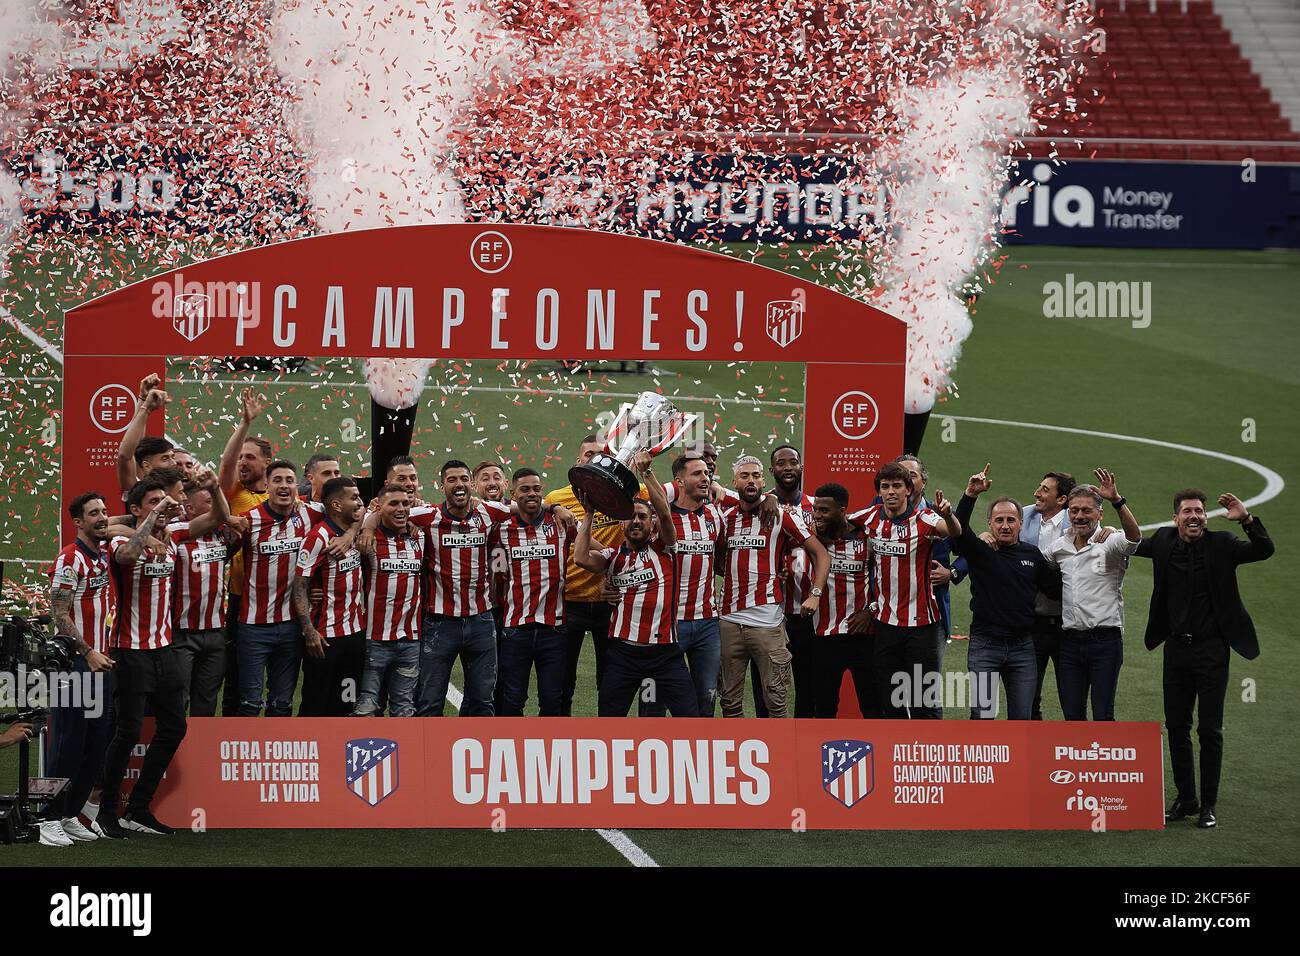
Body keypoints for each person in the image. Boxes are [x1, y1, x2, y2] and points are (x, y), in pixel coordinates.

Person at [1134, 489, 1273, 830]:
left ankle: (1208, 805)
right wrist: (1116, 504)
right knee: (1177, 726)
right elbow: (1131, 543)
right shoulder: (1164, 542)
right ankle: (1186, 798)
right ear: (1175, 518)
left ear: (1205, 517)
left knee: (1209, 729)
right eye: (1187, 511)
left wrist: (1247, 521)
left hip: (1212, 651)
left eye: (1199, 511)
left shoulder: (1223, 544)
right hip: (1176, 651)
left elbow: (1264, 550)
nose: (1194, 516)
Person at [97, 475, 198, 838]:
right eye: (153, 500)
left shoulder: (169, 543)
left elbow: (208, 520)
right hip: (130, 650)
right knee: (127, 732)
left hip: (164, 649)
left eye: (164, 499)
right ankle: (107, 811)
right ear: (136, 509)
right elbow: (125, 556)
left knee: (175, 727)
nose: (163, 505)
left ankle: (138, 808)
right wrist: (154, 518)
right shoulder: (123, 540)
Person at [575, 452, 698, 717]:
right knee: (609, 719)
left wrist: (647, 473)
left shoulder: (664, 549)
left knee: (688, 718)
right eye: (631, 516)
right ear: (622, 523)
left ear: (651, 523)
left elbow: (665, 513)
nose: (637, 521)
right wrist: (588, 515)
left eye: (643, 517)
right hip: (622, 654)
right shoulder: (612, 557)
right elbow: (581, 557)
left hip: (665, 655)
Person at [718, 456, 829, 719]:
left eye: (755, 475)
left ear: (763, 481)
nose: (751, 480)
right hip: (728, 621)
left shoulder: (780, 516)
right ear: (735, 482)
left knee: (776, 701)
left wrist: (815, 593)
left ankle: (780, 758)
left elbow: (821, 554)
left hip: (767, 622)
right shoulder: (724, 519)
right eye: (744, 476)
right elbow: (718, 563)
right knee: (730, 703)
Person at [544, 434, 647, 715]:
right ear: (579, 461)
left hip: (611, 601)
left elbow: (660, 500)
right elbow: (532, 508)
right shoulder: (559, 498)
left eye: (602, 454)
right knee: (563, 679)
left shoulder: (630, 490)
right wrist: (551, 507)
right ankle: (559, 734)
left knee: (611, 679)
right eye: (589, 454)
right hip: (570, 601)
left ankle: (606, 734)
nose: (595, 459)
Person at [848, 461, 957, 719]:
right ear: (879, 491)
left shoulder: (925, 518)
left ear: (909, 490)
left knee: (923, 703)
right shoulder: (870, 516)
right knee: (891, 701)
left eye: (897, 486)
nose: (891, 491)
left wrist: (949, 515)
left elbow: (953, 531)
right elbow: (838, 524)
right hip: (886, 626)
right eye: (885, 486)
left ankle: (925, 757)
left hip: (923, 628)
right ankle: (896, 757)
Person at [951, 466, 1059, 720]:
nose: (1005, 525)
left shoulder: (1032, 555)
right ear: (989, 523)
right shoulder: (980, 550)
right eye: (999, 520)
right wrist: (970, 495)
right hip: (985, 645)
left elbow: (1056, 590)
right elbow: (958, 534)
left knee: (1022, 720)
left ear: (1021, 523)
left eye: (1011, 520)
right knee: (983, 718)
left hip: (1022, 647)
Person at [409, 460, 514, 716]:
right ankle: (429, 756)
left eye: (464, 479)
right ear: (442, 486)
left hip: (481, 621)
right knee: (430, 701)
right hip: (439, 623)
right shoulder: (428, 516)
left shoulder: (488, 513)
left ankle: (473, 754)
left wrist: (555, 507)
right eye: (452, 480)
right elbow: (383, 513)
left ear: (472, 484)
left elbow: (524, 507)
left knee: (482, 701)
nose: (459, 485)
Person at [45, 491, 117, 845]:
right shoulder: (69, 560)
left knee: (95, 741)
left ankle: (70, 812)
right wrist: (87, 651)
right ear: (77, 521)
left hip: (101, 665)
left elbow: (125, 526)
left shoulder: (103, 554)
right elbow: (59, 613)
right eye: (94, 513)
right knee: (66, 742)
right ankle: (47, 818)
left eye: (104, 512)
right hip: (74, 664)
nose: (102, 517)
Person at [1046, 472, 1141, 722]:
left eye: (1086, 511)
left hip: (1105, 641)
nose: (1079, 516)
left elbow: (1134, 539)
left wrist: (1117, 501)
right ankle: (1076, 763)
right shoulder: (1060, 547)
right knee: (1073, 716)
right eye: (1074, 510)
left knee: (1103, 715)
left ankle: (1102, 763)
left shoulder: (1109, 541)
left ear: (1100, 514)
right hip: (1068, 643)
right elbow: (1031, 561)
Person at [235, 459, 326, 717]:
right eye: (277, 480)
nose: (284, 486)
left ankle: (278, 757)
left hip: (292, 625)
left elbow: (352, 514)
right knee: (250, 703)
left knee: (282, 702)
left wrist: (351, 533)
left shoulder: (311, 514)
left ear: (298, 485)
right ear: (267, 485)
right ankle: (249, 755)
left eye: (289, 480)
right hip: (253, 626)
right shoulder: (248, 520)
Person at [651, 453, 727, 716]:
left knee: (707, 697)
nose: (705, 478)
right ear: (679, 481)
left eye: (707, 474)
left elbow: (720, 562)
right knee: (655, 698)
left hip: (708, 623)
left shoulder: (716, 516)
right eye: (697, 474)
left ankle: (699, 751)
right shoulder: (660, 518)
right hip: (669, 621)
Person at [491, 469, 571, 716]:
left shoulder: (559, 524)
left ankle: (548, 752)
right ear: (513, 494)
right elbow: (498, 575)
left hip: (554, 629)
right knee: (513, 699)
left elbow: (584, 545)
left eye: (536, 489)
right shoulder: (501, 530)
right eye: (525, 489)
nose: (532, 494)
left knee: (551, 700)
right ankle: (510, 750)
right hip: (515, 630)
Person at [217, 388, 273, 715]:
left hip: (279, 600)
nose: (242, 462)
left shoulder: (284, 497)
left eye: (249, 457)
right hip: (240, 598)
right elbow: (225, 465)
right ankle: (229, 730)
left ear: (268, 462)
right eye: (241, 456)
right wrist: (244, 425)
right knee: (235, 676)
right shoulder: (236, 493)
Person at [803, 484, 879, 718]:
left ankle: (881, 752)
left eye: (824, 510)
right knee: (824, 707)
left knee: (873, 706)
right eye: (816, 509)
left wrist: (871, 609)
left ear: (843, 510)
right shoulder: (810, 539)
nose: (817, 515)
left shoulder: (866, 537)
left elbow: (887, 578)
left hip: (863, 635)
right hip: (824, 636)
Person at [295, 477, 367, 716]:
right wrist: (309, 631)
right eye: (354, 497)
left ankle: (341, 749)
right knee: (316, 704)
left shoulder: (354, 527)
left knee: (347, 701)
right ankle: (313, 751)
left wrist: (351, 533)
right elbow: (300, 585)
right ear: (336, 505)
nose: (359, 502)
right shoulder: (318, 538)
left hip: (355, 635)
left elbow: (369, 509)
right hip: (325, 638)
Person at [169, 471, 239, 716]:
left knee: (207, 701)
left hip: (216, 633)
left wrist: (215, 489)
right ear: (189, 507)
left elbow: (228, 519)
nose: (215, 507)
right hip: (182, 634)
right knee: (177, 700)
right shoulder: (176, 532)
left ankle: (201, 753)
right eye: (207, 502)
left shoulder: (222, 534)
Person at [355, 485, 425, 716]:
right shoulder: (367, 539)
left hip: (410, 640)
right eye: (393, 504)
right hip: (374, 639)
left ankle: (405, 753)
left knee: (404, 708)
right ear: (378, 508)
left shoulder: (420, 536)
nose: (401, 508)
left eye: (405, 503)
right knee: (366, 707)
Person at [1021, 471, 1075, 720]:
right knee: (1030, 698)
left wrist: (1106, 529)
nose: (1036, 493)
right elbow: (1001, 533)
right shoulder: (1025, 515)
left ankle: (1076, 752)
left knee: (1072, 700)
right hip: (1033, 623)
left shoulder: (1076, 522)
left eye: (1044, 489)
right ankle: (1033, 754)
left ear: (1062, 499)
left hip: (1068, 625)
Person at [768, 444, 817, 717]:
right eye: (781, 463)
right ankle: (770, 740)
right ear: (772, 469)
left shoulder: (817, 506)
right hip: (770, 613)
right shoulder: (761, 504)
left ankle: (803, 746)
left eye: (793, 462)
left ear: (801, 468)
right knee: (770, 685)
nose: (788, 467)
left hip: (807, 613)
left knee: (807, 685)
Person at [114, 373, 174, 495]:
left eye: (172, 457)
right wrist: (145, 405)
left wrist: (143, 400)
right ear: (147, 466)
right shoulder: (137, 492)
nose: (173, 463)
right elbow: (126, 455)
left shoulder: (181, 489)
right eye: (165, 459)